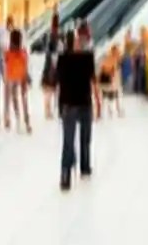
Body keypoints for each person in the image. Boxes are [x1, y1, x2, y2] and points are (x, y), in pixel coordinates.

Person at [55, 29, 100, 191]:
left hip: (79, 102)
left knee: (82, 138)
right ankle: (69, 173)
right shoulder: (85, 57)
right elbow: (59, 84)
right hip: (74, 103)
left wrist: (97, 100)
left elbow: (92, 80)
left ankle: (83, 167)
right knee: (70, 141)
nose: (80, 41)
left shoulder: (69, 58)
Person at [4, 28, 31, 133]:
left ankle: (15, 117)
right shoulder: (23, 52)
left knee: (12, 98)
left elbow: (6, 62)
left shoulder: (8, 52)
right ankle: (27, 122)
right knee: (24, 99)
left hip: (11, 77)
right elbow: (26, 64)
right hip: (22, 76)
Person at [98, 46, 123, 117]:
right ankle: (113, 110)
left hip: (108, 80)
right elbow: (107, 70)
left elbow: (103, 69)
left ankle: (112, 110)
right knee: (109, 95)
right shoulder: (111, 59)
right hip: (108, 80)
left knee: (109, 96)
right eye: (116, 52)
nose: (117, 53)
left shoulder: (111, 58)